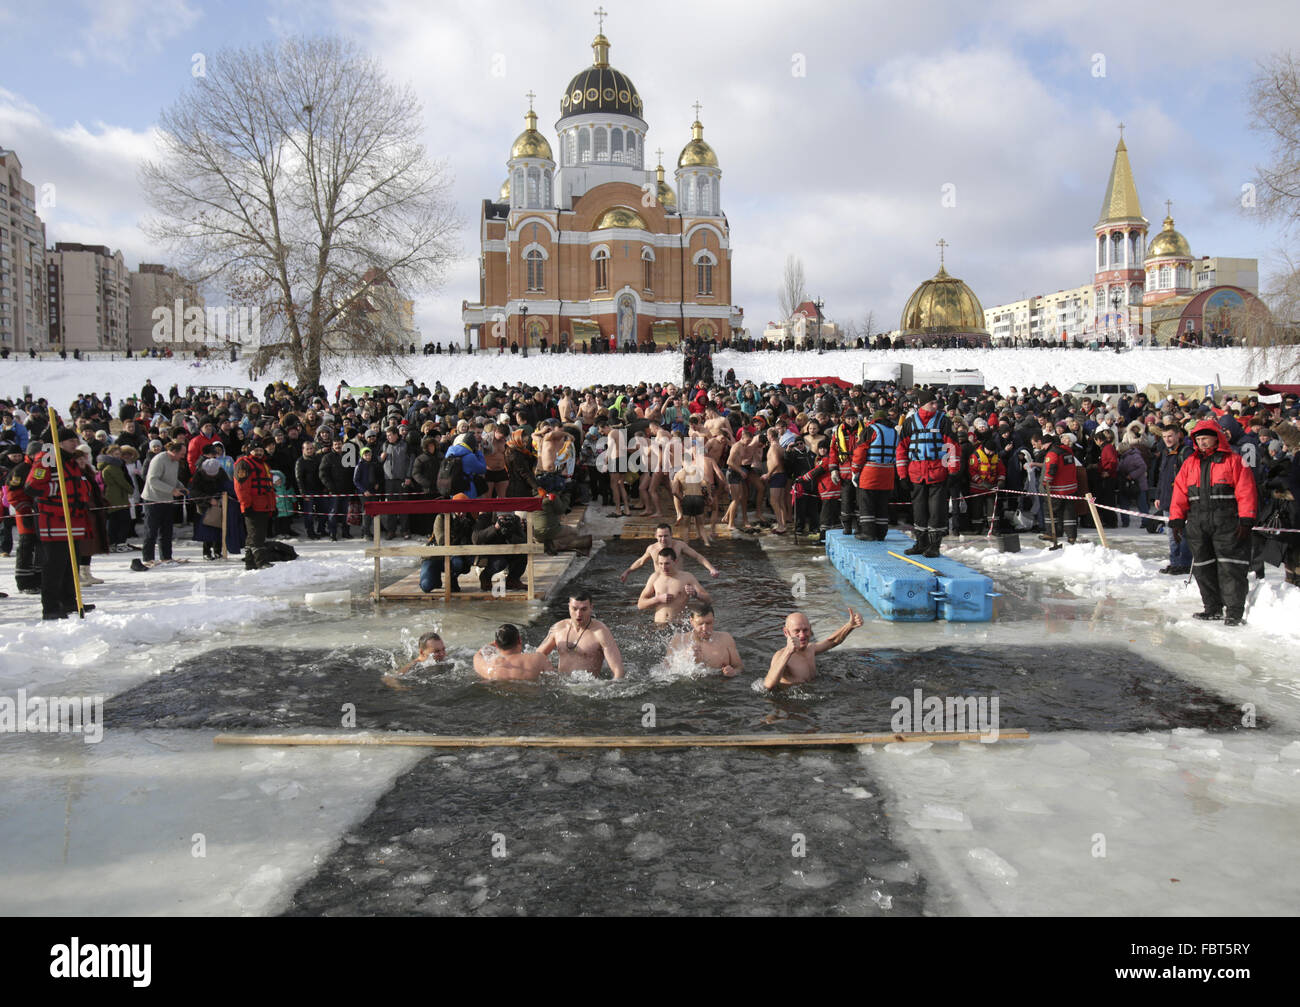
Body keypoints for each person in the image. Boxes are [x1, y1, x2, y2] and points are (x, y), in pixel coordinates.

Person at [1169, 419, 1258, 626]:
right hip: (1198, 523)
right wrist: (1176, 521)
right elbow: (1179, 494)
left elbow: (1246, 490)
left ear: (1216, 438)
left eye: (1205, 438)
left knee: (1231, 567)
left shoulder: (1234, 461)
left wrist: (1247, 518)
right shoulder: (1189, 463)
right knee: (1203, 567)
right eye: (1198, 439)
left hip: (1227, 521)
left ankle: (1234, 611)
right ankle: (1212, 608)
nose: (1202, 442)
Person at [895, 394, 959, 558]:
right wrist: (902, 475)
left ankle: (934, 545)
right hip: (916, 474)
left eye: (936, 403)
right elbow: (901, 449)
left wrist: (953, 471)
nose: (935, 406)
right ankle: (920, 543)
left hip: (938, 472)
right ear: (922, 404)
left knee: (937, 511)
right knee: (919, 510)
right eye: (932, 403)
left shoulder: (944, 421)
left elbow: (953, 448)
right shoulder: (910, 423)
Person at [764, 608, 863, 689]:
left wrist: (850, 626)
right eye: (797, 631)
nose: (802, 635)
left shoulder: (810, 648)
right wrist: (788, 652)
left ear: (810, 629)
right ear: (786, 632)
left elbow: (832, 642)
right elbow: (768, 685)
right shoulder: (781, 656)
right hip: (791, 705)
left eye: (805, 630)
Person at [537, 591, 626, 679]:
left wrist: (612, 687)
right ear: (569, 607)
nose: (578, 614)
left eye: (583, 609)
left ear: (591, 607)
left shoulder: (600, 632)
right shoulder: (558, 628)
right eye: (574, 609)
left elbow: (618, 670)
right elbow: (537, 656)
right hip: (561, 684)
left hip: (589, 689)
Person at [1151, 424, 1193, 574]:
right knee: (1171, 534)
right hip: (1167, 500)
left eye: (1170, 436)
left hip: (1181, 500)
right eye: (1164, 437)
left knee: (1183, 534)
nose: (1167, 439)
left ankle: (1184, 563)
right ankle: (1175, 561)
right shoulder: (1165, 453)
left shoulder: (1186, 453)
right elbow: (1162, 476)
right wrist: (1158, 495)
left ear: (1177, 436)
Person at [139, 439, 188, 566]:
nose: (183, 457)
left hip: (167, 499)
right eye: (181, 454)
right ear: (174, 452)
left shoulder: (175, 462)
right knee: (151, 530)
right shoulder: (159, 460)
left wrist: (180, 486)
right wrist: (172, 490)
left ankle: (166, 556)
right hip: (153, 499)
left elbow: (172, 478)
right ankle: (148, 557)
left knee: (167, 530)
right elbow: (153, 480)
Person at [852, 409, 897, 541]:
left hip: (871, 471)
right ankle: (881, 532)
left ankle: (868, 532)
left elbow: (860, 451)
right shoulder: (894, 431)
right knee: (882, 503)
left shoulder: (871, 429)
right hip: (888, 471)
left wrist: (855, 470)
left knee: (867, 501)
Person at [620, 522, 719, 581]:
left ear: (671, 535)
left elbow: (698, 557)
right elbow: (640, 562)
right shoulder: (652, 548)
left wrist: (711, 569)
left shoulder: (679, 545)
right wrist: (627, 571)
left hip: (678, 580)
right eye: (660, 536)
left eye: (666, 536)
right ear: (655, 536)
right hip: (661, 581)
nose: (663, 539)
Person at [637, 547, 711, 623]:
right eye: (661, 564)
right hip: (659, 625)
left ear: (675, 561)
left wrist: (695, 594)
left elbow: (708, 599)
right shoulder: (655, 577)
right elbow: (640, 604)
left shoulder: (687, 577)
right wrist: (657, 599)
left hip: (678, 626)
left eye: (667, 563)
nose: (663, 567)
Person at [668, 600, 742, 676]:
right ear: (691, 621)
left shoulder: (726, 638)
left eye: (709, 623)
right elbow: (666, 671)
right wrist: (685, 657)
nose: (704, 628)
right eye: (700, 624)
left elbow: (739, 667)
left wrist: (733, 672)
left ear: (714, 620)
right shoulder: (678, 640)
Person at [473, 624, 551, 681]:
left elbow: (479, 653)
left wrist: (498, 641)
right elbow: (553, 678)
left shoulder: (488, 667)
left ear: (496, 644)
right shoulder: (539, 658)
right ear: (519, 640)